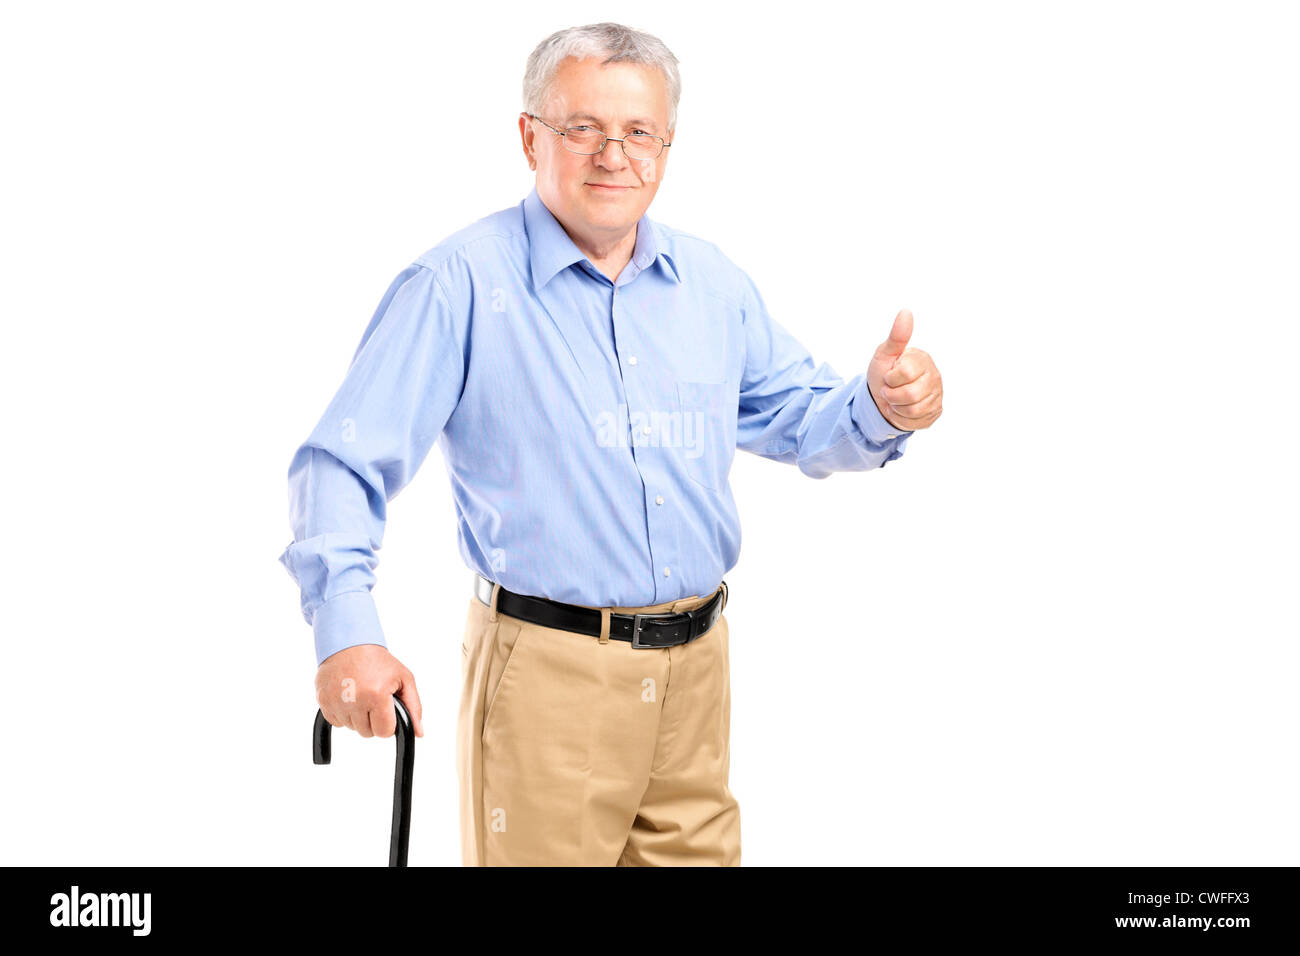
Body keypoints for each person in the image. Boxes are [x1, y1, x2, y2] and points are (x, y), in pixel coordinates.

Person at [279, 21, 944, 866]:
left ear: (668, 146)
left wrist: (881, 404)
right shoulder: (457, 286)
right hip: (548, 682)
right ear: (529, 136)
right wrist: (347, 632)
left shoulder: (712, 285)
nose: (613, 155)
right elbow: (338, 462)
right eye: (582, 127)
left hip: (698, 677)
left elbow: (799, 416)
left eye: (639, 133)